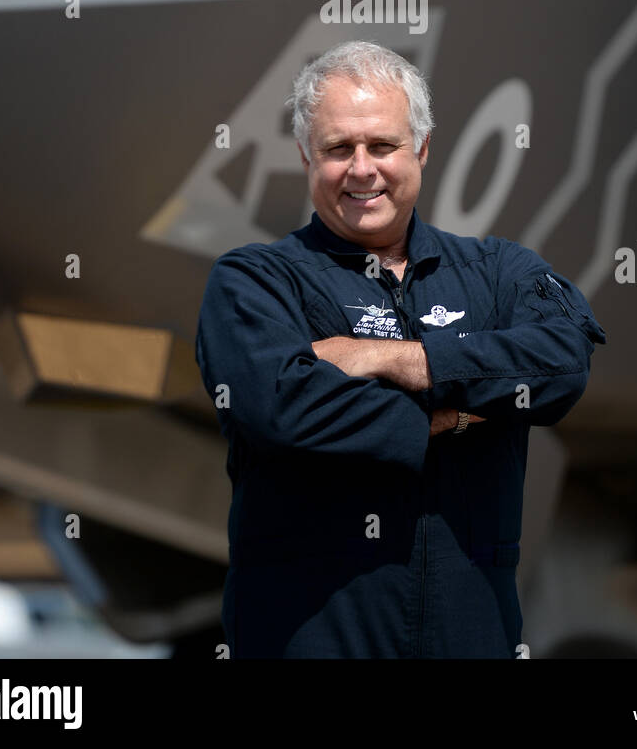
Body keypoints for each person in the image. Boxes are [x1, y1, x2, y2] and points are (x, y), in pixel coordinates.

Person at [195, 40, 606, 658]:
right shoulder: (254, 282)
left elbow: (563, 361)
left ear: (422, 148)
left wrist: (392, 359)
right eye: (338, 149)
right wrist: (465, 408)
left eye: (382, 145)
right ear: (306, 154)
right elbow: (283, 406)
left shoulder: (497, 271)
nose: (362, 169)